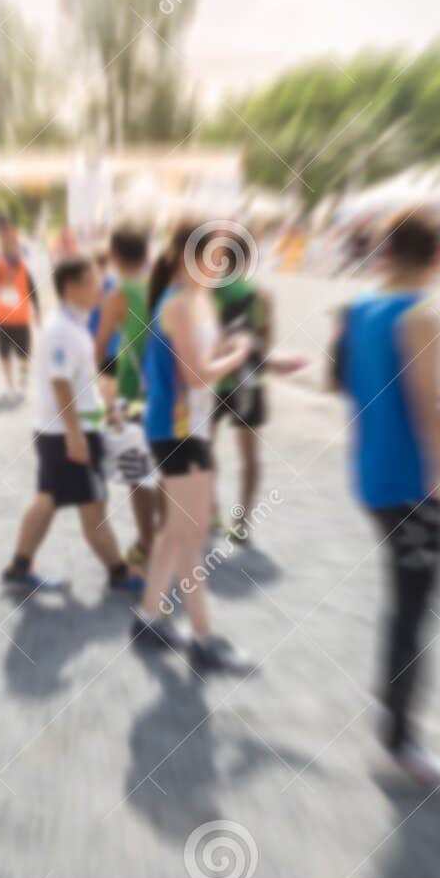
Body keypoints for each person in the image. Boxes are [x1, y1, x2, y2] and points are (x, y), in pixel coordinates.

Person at [331, 212, 440, 785]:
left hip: (372, 476)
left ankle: (397, 734)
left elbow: (353, 387)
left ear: (385, 251)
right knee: (411, 611)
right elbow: (430, 415)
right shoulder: (424, 318)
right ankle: (401, 746)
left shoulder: (360, 310)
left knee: (403, 605)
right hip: (413, 486)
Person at [131, 224, 257, 673]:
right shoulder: (180, 303)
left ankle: (148, 617)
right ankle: (204, 640)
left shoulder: (201, 300)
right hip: (175, 428)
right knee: (192, 534)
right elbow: (198, 375)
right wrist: (236, 358)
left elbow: (212, 351)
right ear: (187, 257)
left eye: (224, 255)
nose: (221, 264)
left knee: (178, 530)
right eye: (213, 255)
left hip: (193, 427)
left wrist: (250, 351)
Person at [1, 257, 145, 596]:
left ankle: (19, 567)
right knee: (93, 503)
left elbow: (77, 383)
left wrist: (103, 411)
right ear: (71, 288)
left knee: (49, 497)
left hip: (61, 432)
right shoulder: (62, 330)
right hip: (68, 434)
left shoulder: (71, 323)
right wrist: (77, 435)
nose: (101, 289)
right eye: (93, 282)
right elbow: (61, 383)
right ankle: (119, 572)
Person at [91, 227, 163, 567]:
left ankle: (147, 545)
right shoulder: (159, 287)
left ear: (114, 255)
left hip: (132, 390)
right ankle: (166, 538)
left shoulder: (117, 294)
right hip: (163, 389)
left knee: (138, 473)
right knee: (163, 468)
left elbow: (100, 346)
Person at [211, 269, 273, 543]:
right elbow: (265, 339)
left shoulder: (203, 293)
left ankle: (211, 511)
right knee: (249, 456)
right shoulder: (261, 294)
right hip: (248, 380)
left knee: (203, 451)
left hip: (212, 379)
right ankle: (242, 522)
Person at [0, 218, 39, 396]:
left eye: (14, 242)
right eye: (7, 242)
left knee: (24, 354)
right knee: (4, 354)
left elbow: (32, 288)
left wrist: (37, 311)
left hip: (21, 318)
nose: (11, 245)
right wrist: (1, 283)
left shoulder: (24, 265)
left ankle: (23, 380)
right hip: (1, 318)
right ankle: (9, 384)